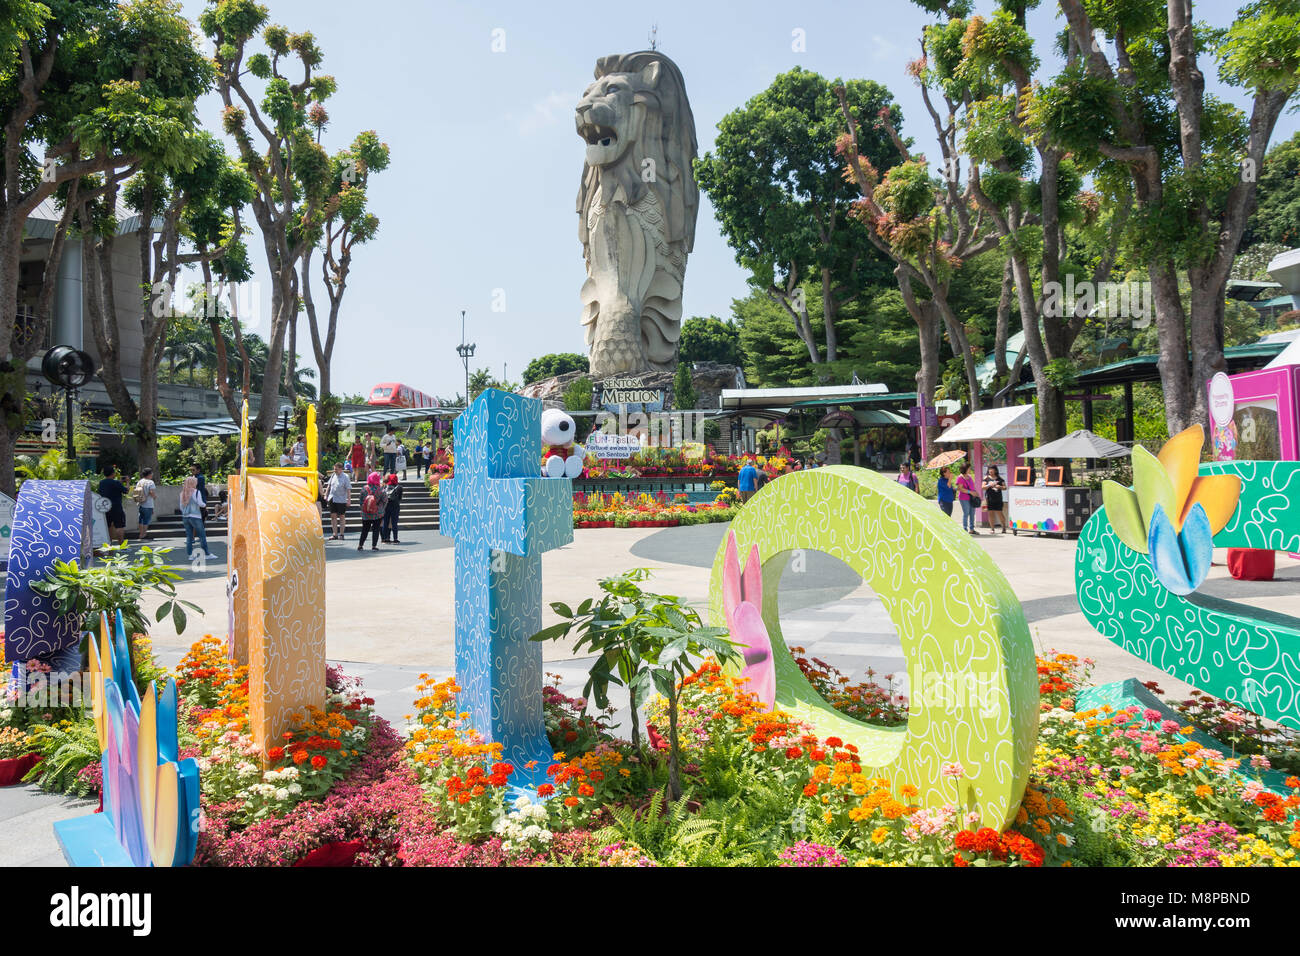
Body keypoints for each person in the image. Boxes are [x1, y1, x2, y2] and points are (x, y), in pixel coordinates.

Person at [180, 475, 218, 560]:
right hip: (195, 516)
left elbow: (181, 506)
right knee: (202, 535)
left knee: (189, 536)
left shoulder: (182, 493)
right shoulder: (196, 492)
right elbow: (201, 503)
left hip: (185, 517)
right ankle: (207, 553)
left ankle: (190, 555)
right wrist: (205, 505)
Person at [356, 472, 388, 551]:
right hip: (377, 513)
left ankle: (360, 545)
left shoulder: (364, 488)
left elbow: (360, 500)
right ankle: (374, 546)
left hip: (366, 514)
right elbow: (385, 500)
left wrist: (363, 508)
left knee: (364, 529)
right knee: (376, 529)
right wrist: (382, 509)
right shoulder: (380, 489)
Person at [97, 465, 128, 546]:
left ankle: (109, 545)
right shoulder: (116, 483)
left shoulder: (102, 483)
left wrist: (119, 483)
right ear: (113, 473)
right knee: (119, 526)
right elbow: (126, 491)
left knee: (108, 526)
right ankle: (122, 546)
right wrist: (127, 482)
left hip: (105, 507)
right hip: (116, 507)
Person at [325, 461, 352, 540]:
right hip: (332, 497)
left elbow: (348, 489)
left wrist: (349, 499)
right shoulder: (333, 475)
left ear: (341, 469)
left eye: (336, 469)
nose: (335, 471)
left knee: (341, 516)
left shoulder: (345, 477)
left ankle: (342, 534)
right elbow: (329, 485)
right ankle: (334, 534)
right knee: (333, 516)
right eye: (334, 469)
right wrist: (326, 495)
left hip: (341, 499)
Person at [132, 467, 157, 541]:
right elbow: (151, 492)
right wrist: (155, 497)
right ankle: (144, 534)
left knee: (141, 520)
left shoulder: (140, 482)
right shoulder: (150, 482)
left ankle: (140, 534)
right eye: (151, 473)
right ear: (149, 474)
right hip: (148, 504)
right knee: (146, 520)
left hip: (141, 503)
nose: (152, 474)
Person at [956, 462, 980, 535]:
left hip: (972, 498)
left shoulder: (969, 477)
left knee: (972, 513)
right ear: (965, 469)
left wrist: (976, 493)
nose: (970, 469)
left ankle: (972, 529)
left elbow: (972, 486)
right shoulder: (960, 478)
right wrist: (970, 492)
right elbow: (960, 488)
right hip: (964, 498)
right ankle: (965, 529)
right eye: (969, 468)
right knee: (966, 513)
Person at [983, 465, 1008, 533]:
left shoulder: (1000, 479)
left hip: (998, 498)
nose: (990, 471)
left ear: (996, 470)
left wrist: (999, 487)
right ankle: (992, 529)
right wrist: (989, 485)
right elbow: (983, 487)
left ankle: (1004, 527)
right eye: (989, 469)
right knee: (990, 514)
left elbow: (1005, 487)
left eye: (992, 469)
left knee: (1000, 513)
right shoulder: (986, 478)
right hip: (989, 498)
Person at [381, 472, 404, 543]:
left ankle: (385, 538)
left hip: (386, 506)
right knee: (394, 523)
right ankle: (395, 539)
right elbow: (400, 498)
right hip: (395, 506)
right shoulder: (399, 487)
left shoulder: (385, 486)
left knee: (385, 522)